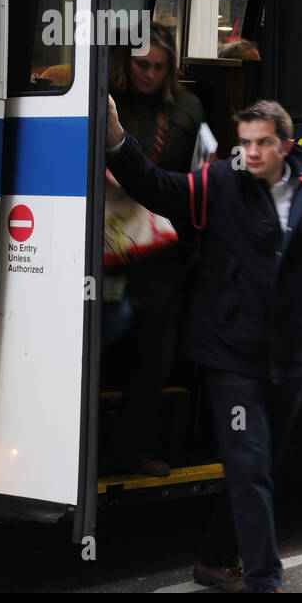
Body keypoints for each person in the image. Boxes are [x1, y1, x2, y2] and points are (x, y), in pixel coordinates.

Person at [105, 96, 302, 593]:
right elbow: (156, 187)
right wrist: (116, 139)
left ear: (283, 145)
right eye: (245, 143)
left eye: (262, 143)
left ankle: (213, 560)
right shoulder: (218, 184)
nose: (251, 152)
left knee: (257, 469)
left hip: (289, 355)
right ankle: (264, 579)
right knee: (251, 467)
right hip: (230, 355)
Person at [106, 25, 206, 477]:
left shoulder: (187, 108)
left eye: (159, 66)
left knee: (157, 354)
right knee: (109, 330)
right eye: (142, 63)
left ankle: (136, 448)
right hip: (109, 240)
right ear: (126, 61)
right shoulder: (104, 96)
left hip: (163, 249)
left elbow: (201, 169)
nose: (149, 73)